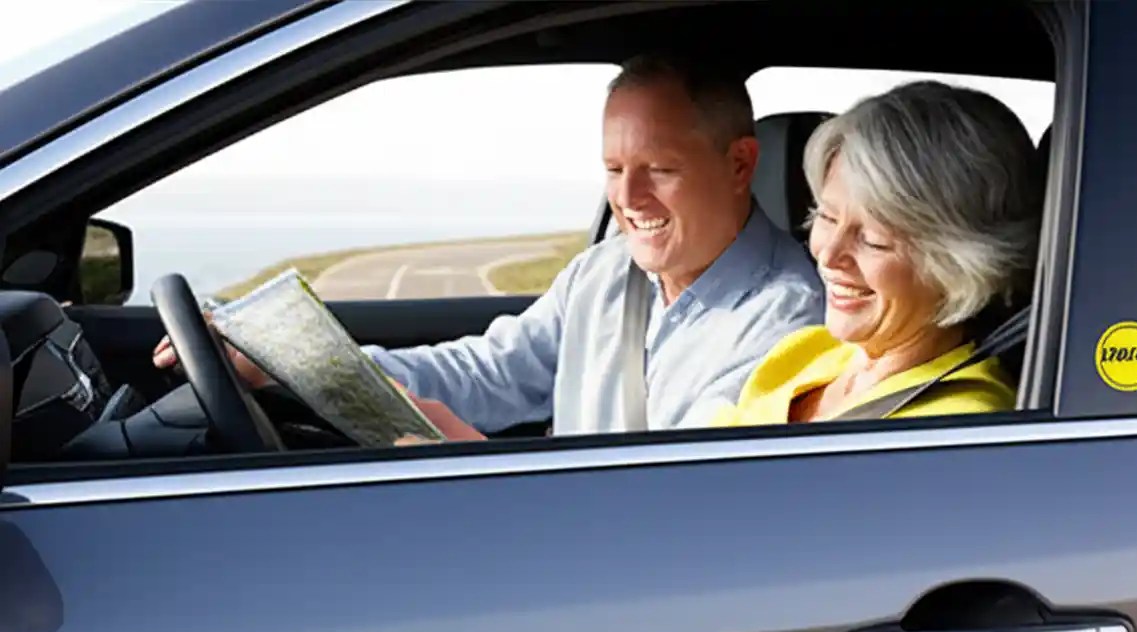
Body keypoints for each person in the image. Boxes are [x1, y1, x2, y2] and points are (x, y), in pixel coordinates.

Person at [153, 54, 824, 440]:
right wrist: (287, 365)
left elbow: (683, 506)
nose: (631, 199)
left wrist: (473, 460)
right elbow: (486, 373)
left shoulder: (788, 323)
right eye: (615, 171)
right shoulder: (606, 270)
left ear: (740, 166)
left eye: (661, 170)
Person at [712, 81, 1043, 427]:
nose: (828, 255)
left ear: (959, 264)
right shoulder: (805, 349)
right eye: (827, 217)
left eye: (873, 240)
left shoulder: (960, 426)